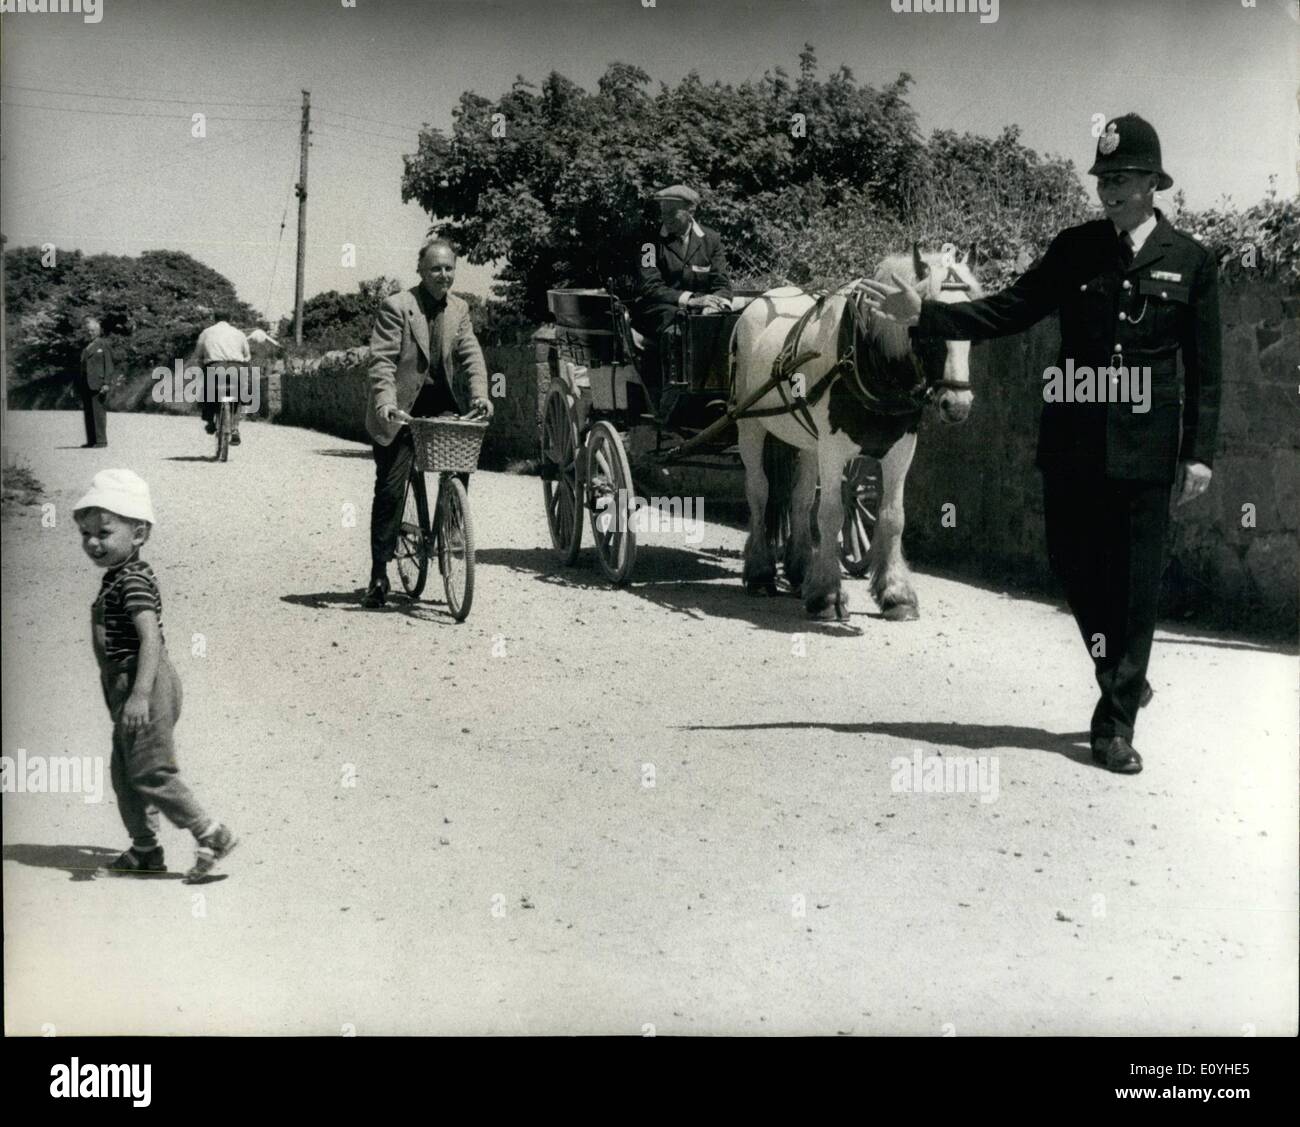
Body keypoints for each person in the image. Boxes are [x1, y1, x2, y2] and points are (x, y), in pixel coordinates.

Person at [859, 113, 1220, 775]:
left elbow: (1206, 367)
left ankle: (1114, 723)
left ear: (1152, 184)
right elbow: (1010, 308)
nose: (1110, 188)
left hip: (1145, 446)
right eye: (1103, 177)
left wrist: (1198, 452)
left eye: (1124, 178)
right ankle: (1123, 672)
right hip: (1074, 441)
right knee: (1071, 561)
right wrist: (929, 316)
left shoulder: (1192, 261)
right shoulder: (1074, 248)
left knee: (1136, 585)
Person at [73, 469, 238, 882]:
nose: (93, 542)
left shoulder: (132, 581)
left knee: (150, 769)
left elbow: (150, 639)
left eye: (105, 532)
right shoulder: (117, 577)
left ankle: (211, 832)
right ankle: (146, 850)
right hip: (127, 686)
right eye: (86, 533)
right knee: (125, 772)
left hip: (143, 682)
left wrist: (140, 694)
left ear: (140, 533)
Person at [363, 236, 493, 608]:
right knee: (390, 488)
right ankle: (379, 574)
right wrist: (385, 401)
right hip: (401, 407)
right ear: (420, 270)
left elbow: (471, 357)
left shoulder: (460, 309)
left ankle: (451, 527)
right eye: (435, 268)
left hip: (440, 402)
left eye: (449, 268)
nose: (443, 275)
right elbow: (382, 362)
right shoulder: (397, 306)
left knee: (459, 458)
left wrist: (481, 394)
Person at [630, 184, 733, 401]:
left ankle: (722, 394)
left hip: (699, 314)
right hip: (657, 310)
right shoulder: (650, 243)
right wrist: (692, 300)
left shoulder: (711, 240)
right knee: (676, 333)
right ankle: (671, 399)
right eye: (662, 212)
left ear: (691, 211)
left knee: (726, 330)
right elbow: (650, 286)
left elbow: (722, 283)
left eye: (671, 212)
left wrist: (717, 304)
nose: (665, 218)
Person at [194, 311, 251, 445]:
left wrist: (202, 364)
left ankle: (209, 421)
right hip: (236, 367)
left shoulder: (206, 332)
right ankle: (235, 428)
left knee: (208, 392)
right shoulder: (239, 333)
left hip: (214, 366)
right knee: (238, 396)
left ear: (214, 318)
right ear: (230, 318)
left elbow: (198, 353)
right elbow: (247, 356)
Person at [77, 317, 114, 448]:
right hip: (86, 384)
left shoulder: (103, 344)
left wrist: (106, 383)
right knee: (88, 412)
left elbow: (108, 365)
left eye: (92, 330)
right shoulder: (86, 346)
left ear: (98, 331)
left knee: (98, 412)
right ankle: (91, 440)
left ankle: (101, 440)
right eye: (88, 331)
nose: (90, 333)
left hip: (98, 383)